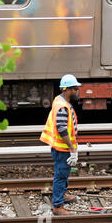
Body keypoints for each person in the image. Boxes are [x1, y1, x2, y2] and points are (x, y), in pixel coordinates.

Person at [40, 74, 81, 215]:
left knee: (64, 173)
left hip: (61, 147)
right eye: (75, 88)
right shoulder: (62, 106)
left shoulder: (59, 100)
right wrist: (71, 148)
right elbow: (62, 128)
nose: (77, 91)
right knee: (61, 175)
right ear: (68, 89)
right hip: (62, 148)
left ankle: (62, 195)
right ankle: (57, 206)